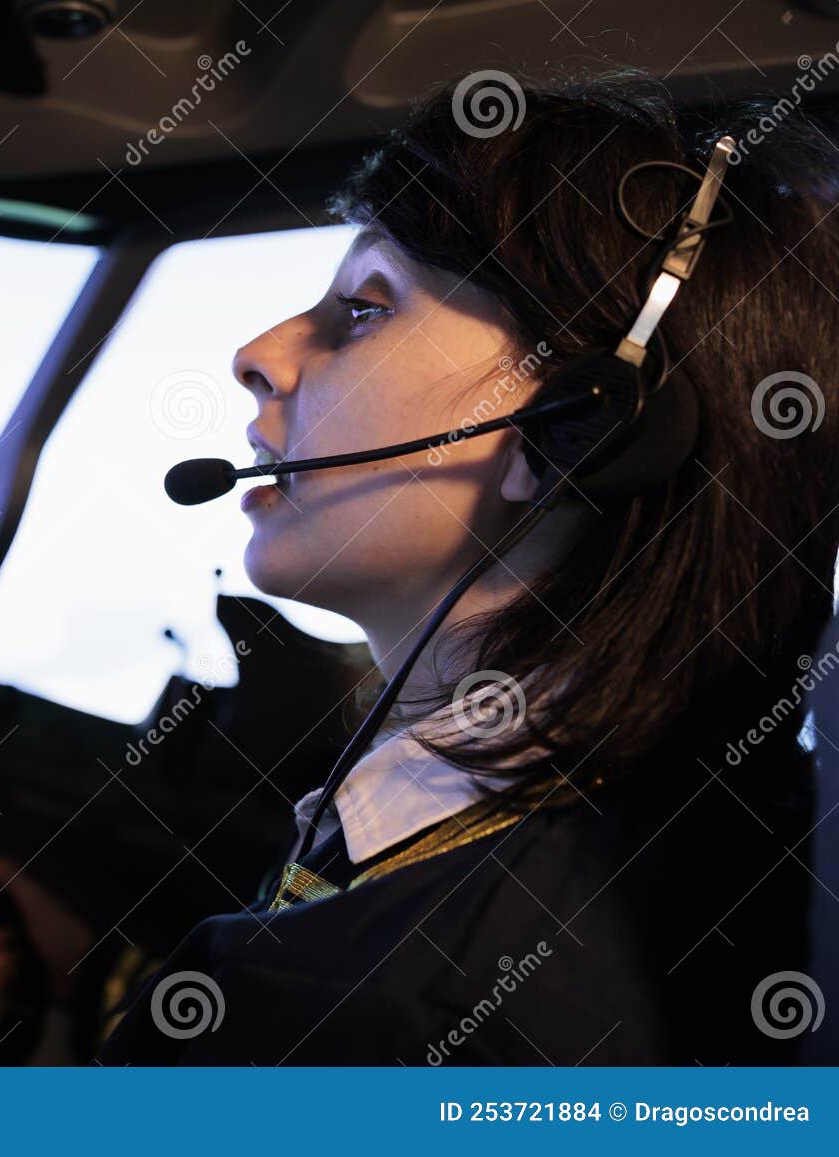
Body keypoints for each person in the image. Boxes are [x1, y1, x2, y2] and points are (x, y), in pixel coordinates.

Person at [94, 71, 839, 1064]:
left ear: (579, 425)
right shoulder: (763, 829)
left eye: (364, 309)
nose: (257, 352)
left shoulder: (335, 1006)